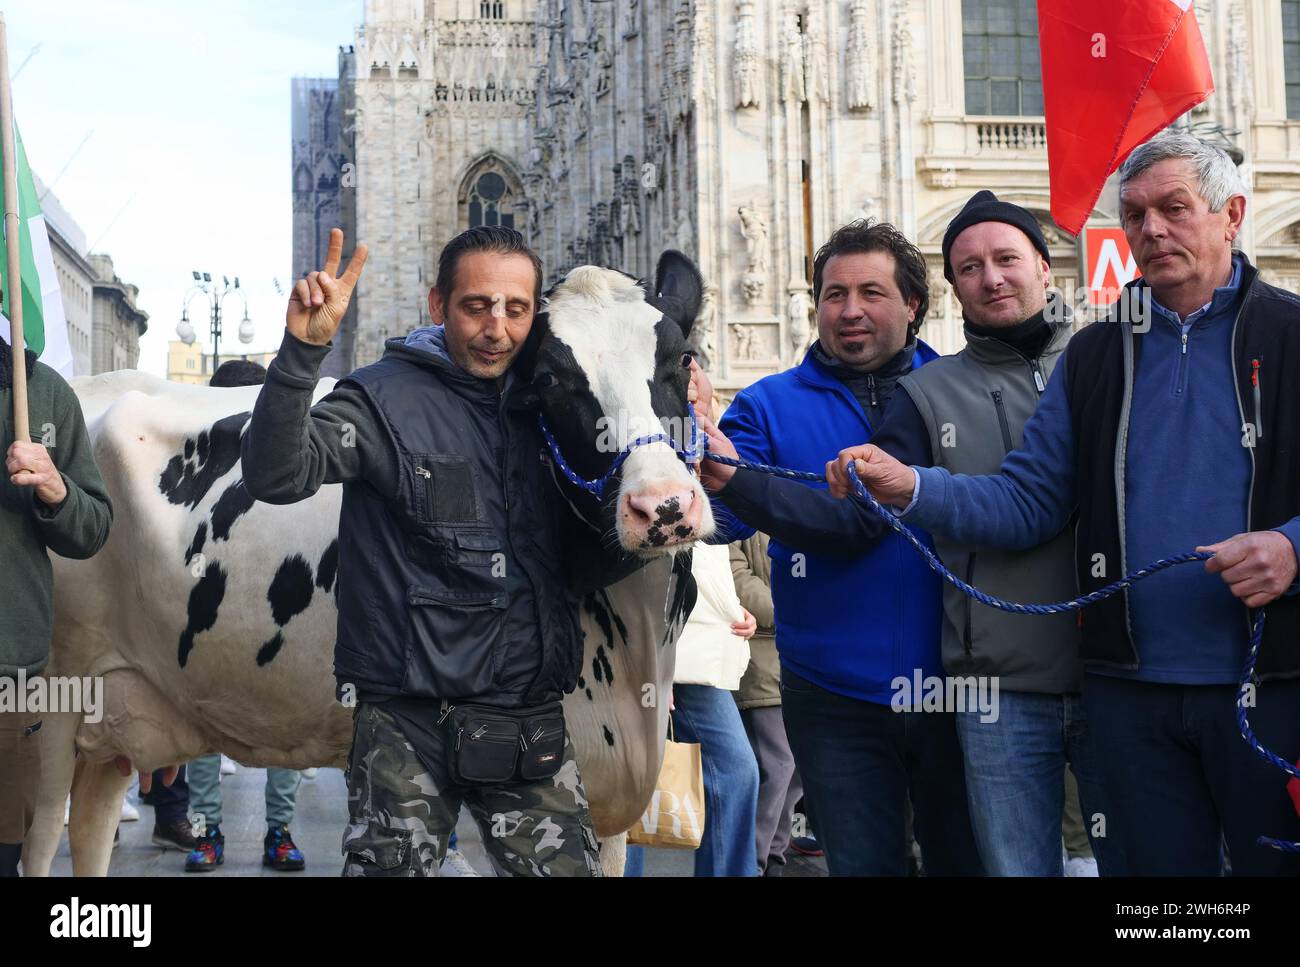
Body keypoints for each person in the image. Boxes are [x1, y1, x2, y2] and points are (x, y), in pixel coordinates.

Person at [831, 133, 1300, 876]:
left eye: (1174, 208)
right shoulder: (1098, 354)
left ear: (1232, 213)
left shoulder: (1291, 332)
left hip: (1272, 679)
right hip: (1129, 690)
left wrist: (1293, 546)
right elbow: (1028, 500)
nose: (1151, 230)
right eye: (1136, 214)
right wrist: (913, 487)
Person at [241, 226, 639, 877]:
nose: (496, 328)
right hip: (407, 724)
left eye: (515, 309)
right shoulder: (380, 399)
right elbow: (276, 475)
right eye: (476, 305)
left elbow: (596, 549)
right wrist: (299, 358)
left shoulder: (554, 410)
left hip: (526, 716)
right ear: (438, 305)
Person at [697, 220, 984, 876]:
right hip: (831, 695)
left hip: (954, 688)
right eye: (834, 293)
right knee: (862, 866)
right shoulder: (767, 405)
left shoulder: (957, 392)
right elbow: (715, 519)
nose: (850, 309)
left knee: (966, 862)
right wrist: (688, 438)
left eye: (871, 292)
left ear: (913, 304)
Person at [1, 325, 113, 876]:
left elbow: (92, 529)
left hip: (10, 674)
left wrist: (56, 489)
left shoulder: (41, 393)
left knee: (6, 848)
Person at [730, 531, 804, 876]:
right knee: (776, 765)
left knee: (795, 772)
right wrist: (797, 611)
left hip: (801, 658)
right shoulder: (738, 509)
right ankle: (753, 864)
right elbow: (736, 578)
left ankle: (772, 859)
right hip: (760, 657)